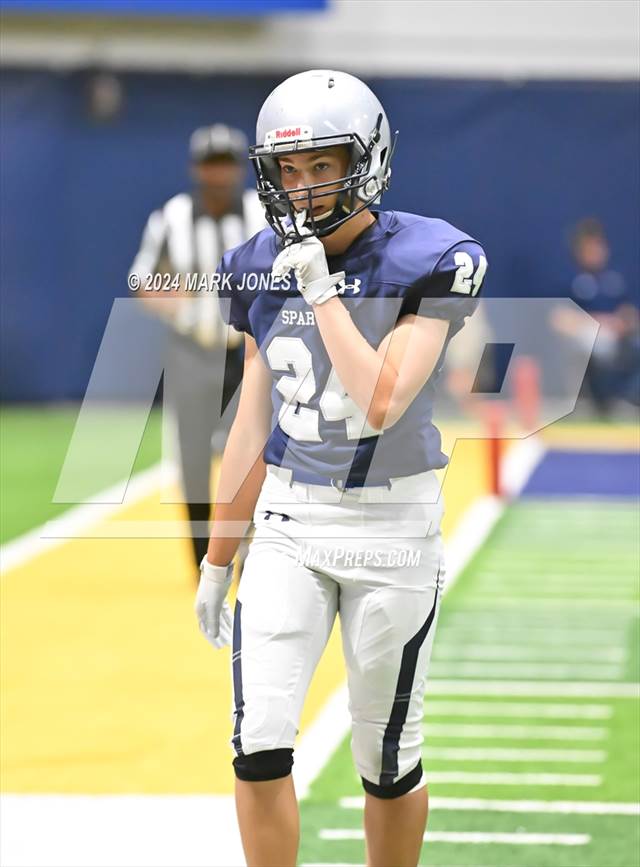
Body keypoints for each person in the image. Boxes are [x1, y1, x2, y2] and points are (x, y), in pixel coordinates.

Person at [194, 70, 487, 867]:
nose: (303, 186)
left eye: (322, 164)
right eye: (288, 169)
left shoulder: (431, 256)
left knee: (385, 763)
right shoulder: (255, 263)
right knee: (257, 740)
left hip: (393, 526)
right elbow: (251, 421)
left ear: (367, 161)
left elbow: (383, 398)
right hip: (291, 521)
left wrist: (323, 294)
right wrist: (219, 557)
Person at [129, 124, 265, 578]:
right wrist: (183, 310)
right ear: (196, 169)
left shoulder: (261, 212)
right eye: (211, 164)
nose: (219, 174)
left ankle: (251, 552)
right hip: (192, 349)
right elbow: (142, 281)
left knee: (252, 453)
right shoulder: (171, 217)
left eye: (226, 164)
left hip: (247, 351)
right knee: (191, 458)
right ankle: (203, 559)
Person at [553, 218, 639, 414]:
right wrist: (596, 323)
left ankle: (628, 399)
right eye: (589, 248)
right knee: (595, 342)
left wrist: (623, 322)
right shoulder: (569, 280)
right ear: (579, 251)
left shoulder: (614, 280)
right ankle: (591, 401)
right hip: (588, 335)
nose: (595, 253)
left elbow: (629, 312)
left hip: (618, 336)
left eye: (598, 247)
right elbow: (559, 318)